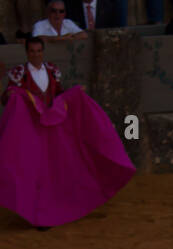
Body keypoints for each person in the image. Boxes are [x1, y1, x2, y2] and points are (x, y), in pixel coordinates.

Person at [0, 34, 135, 228]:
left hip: (53, 130)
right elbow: (6, 99)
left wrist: (73, 97)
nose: (36, 55)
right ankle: (40, 215)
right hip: (32, 131)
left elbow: (58, 95)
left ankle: (53, 208)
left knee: (55, 169)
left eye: (39, 51)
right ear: (27, 52)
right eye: (32, 51)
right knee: (35, 170)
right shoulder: (18, 73)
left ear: (43, 51)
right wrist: (12, 95)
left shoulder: (53, 70)